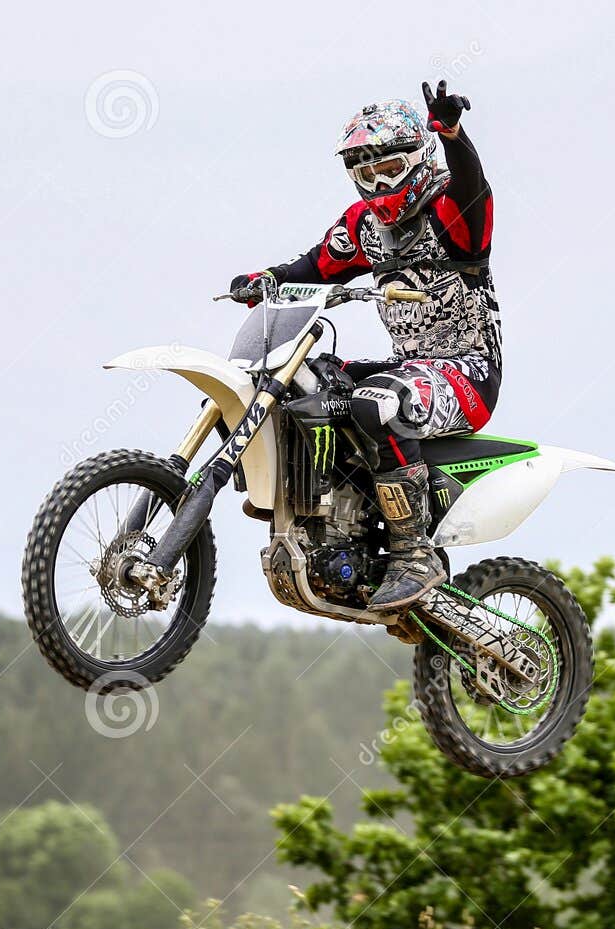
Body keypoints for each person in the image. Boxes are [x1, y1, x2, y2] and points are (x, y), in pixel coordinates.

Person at [230, 81, 501, 611]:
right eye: (365, 173)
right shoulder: (365, 226)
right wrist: (265, 278)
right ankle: (308, 500)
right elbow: (311, 267)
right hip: (409, 365)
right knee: (306, 379)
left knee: (376, 401)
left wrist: (453, 135)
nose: (378, 184)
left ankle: (412, 553)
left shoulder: (451, 211)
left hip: (467, 370)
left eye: (389, 170)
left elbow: (474, 188)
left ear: (417, 160)